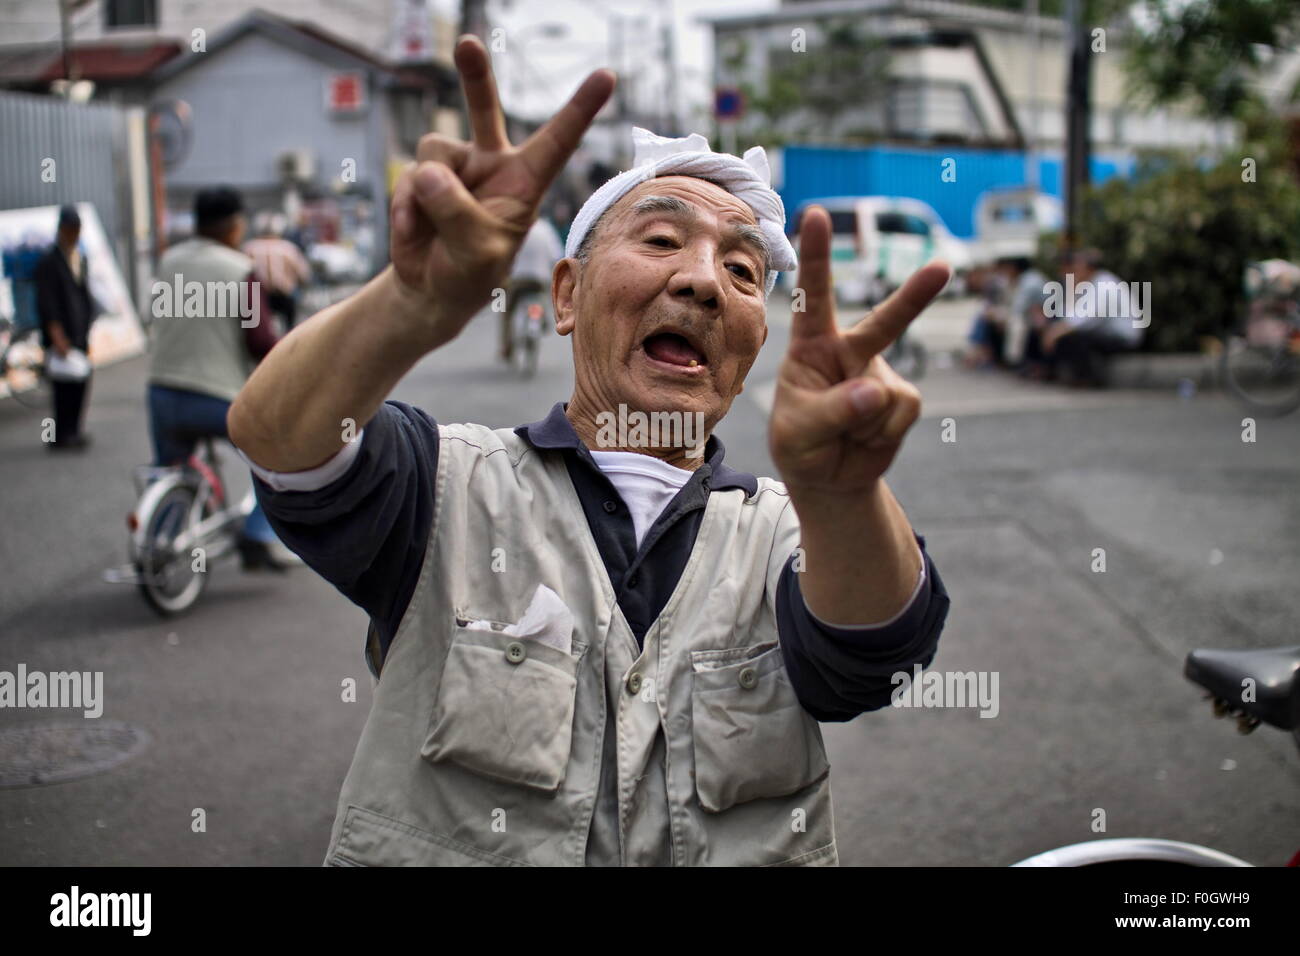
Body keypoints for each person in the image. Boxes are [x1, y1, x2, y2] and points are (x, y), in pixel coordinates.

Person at [228, 36, 950, 867]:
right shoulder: (445, 485)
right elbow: (281, 444)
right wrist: (410, 305)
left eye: (745, 272)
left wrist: (843, 494)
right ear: (566, 295)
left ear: (754, 347)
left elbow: (876, 657)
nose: (704, 281)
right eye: (660, 242)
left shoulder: (789, 537)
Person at [148, 187, 291, 571]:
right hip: (215, 397)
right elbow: (260, 340)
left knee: (170, 466)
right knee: (275, 453)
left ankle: (160, 541)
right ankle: (258, 533)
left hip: (161, 391)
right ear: (232, 226)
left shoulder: (168, 261)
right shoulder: (240, 270)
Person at [35, 205, 96, 450]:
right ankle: (60, 435)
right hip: (60, 334)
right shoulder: (49, 262)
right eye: (70, 229)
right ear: (61, 229)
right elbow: (47, 302)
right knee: (62, 387)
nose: (74, 234)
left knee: (80, 382)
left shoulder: (79, 258)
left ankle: (74, 430)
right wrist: (56, 334)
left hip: (79, 332)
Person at [1041, 248, 1144, 387]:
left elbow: (1082, 320)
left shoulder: (1105, 285)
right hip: (1104, 333)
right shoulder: (1090, 284)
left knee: (1075, 338)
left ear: (1089, 268)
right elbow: (1068, 314)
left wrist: (1053, 333)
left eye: (1077, 267)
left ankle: (1087, 378)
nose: (1074, 271)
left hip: (1124, 338)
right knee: (1064, 334)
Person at [499, 214, 563, 362]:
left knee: (505, 310)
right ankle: (544, 318)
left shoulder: (513, 229)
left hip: (516, 281)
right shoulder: (546, 229)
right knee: (545, 298)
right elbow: (556, 255)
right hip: (539, 280)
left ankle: (507, 346)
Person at [244, 213, 312, 331]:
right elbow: (304, 274)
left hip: (258, 298)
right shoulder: (288, 248)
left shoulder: (249, 248)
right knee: (290, 327)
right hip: (285, 296)